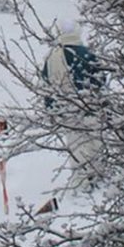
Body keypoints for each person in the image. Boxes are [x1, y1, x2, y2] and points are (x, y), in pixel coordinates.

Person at [36, 19, 105, 213]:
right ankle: (96, 179)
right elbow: (100, 79)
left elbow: (46, 85)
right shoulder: (85, 54)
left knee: (76, 146)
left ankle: (81, 183)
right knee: (95, 143)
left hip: (64, 110)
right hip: (88, 107)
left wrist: (52, 109)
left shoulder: (51, 57)